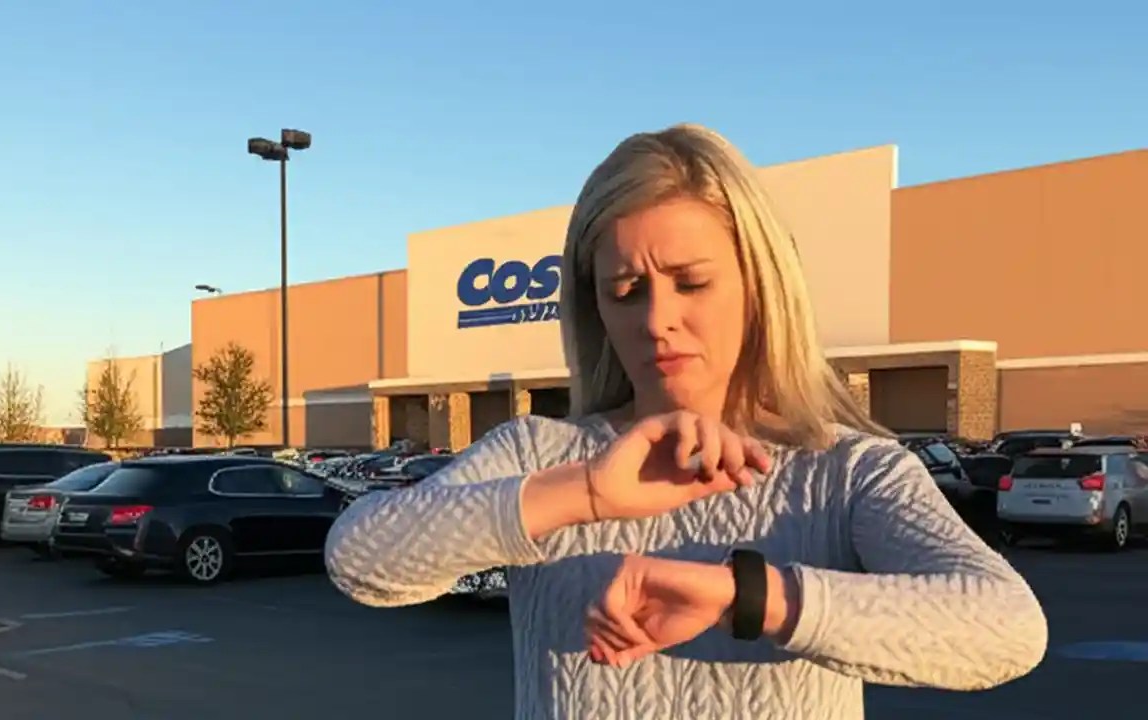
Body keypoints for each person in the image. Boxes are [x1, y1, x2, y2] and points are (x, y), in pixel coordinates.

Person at [325, 123, 1048, 719]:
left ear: (758, 283)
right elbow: (359, 559)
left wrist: (748, 595)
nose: (658, 321)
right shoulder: (543, 451)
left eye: (691, 282)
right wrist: (586, 496)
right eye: (626, 290)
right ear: (596, 308)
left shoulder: (847, 471)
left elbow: (1005, 629)